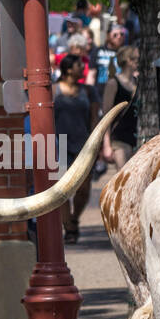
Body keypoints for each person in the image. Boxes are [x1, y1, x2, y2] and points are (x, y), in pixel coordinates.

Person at [53, 54, 101, 244]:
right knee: (63, 189)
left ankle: (74, 218)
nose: (83, 68)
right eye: (79, 65)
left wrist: (96, 143)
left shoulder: (89, 91)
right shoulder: (53, 90)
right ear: (68, 70)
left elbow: (94, 119)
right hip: (59, 145)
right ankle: (69, 227)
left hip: (83, 145)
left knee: (83, 189)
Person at [102, 45, 138, 169]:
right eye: (136, 59)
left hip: (136, 137)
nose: (138, 62)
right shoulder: (113, 83)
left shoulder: (137, 82)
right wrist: (106, 144)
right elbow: (106, 115)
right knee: (123, 176)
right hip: (119, 138)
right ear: (129, 61)